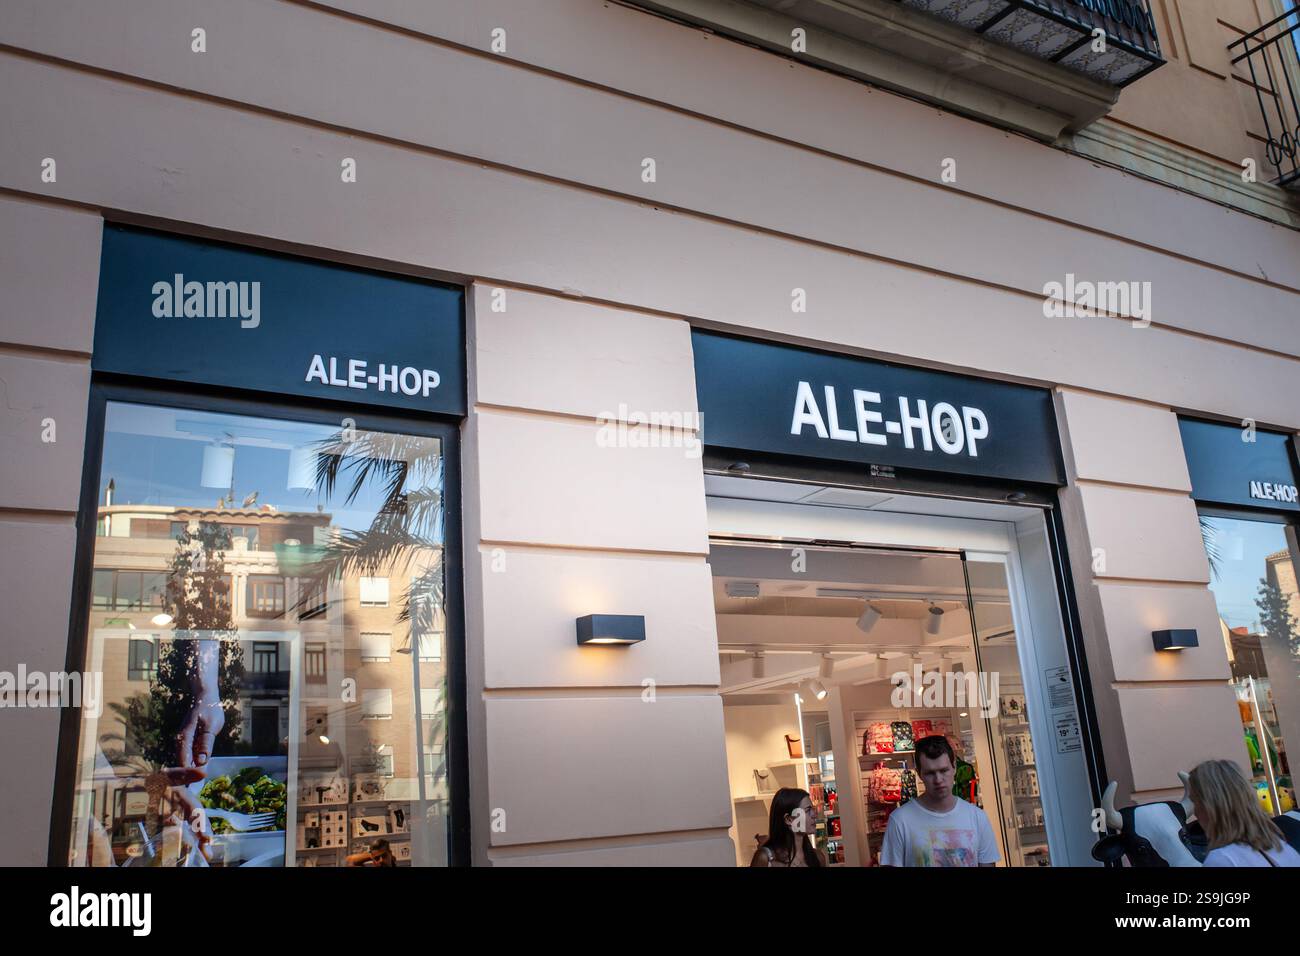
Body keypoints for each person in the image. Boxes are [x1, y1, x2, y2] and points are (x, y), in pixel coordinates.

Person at [879, 735, 999, 867]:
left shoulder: (977, 817)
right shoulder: (900, 820)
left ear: (954, 767)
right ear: (919, 774)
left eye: (944, 770)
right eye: (930, 773)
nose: (938, 780)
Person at [1189, 759, 1300, 867]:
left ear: (1210, 805)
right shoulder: (1281, 848)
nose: (1195, 812)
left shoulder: (1222, 860)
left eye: (1194, 801)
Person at [751, 787, 827, 867]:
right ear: (789, 819)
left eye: (813, 809)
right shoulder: (765, 859)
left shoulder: (818, 857)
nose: (814, 815)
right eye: (808, 810)